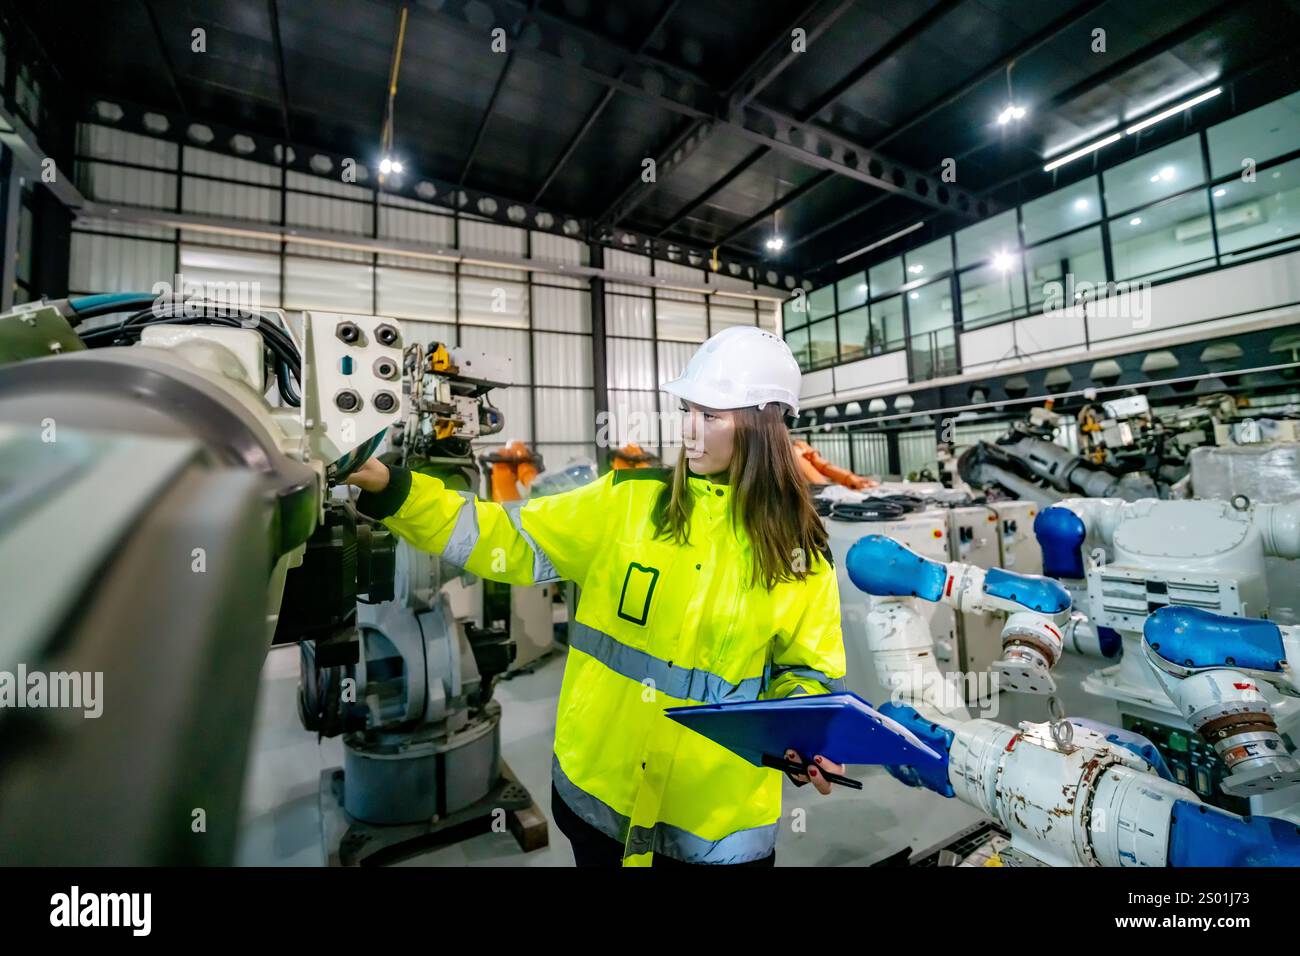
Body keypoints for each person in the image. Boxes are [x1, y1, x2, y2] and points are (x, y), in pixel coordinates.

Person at [348, 325, 847, 866]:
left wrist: (802, 730)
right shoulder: (627, 503)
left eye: (711, 416)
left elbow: (808, 672)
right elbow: (505, 537)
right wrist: (389, 486)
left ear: (762, 426)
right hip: (601, 797)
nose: (689, 432)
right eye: (687, 410)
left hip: (715, 824)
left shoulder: (799, 552)